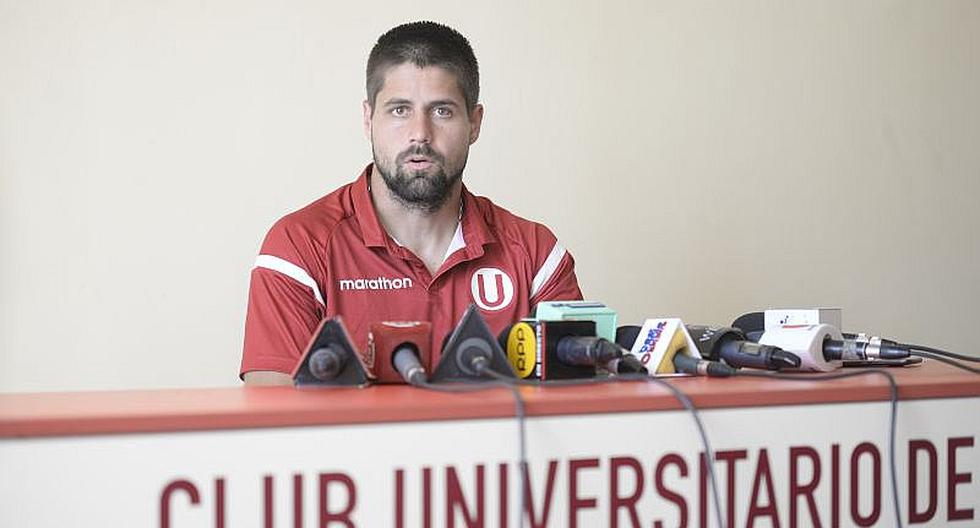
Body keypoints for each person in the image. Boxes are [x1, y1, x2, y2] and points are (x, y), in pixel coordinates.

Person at [240, 21, 582, 385]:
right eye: (400, 110)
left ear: (475, 123)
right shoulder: (298, 246)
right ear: (369, 118)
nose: (420, 133)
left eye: (442, 111)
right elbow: (274, 421)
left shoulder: (536, 255)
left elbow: (576, 407)